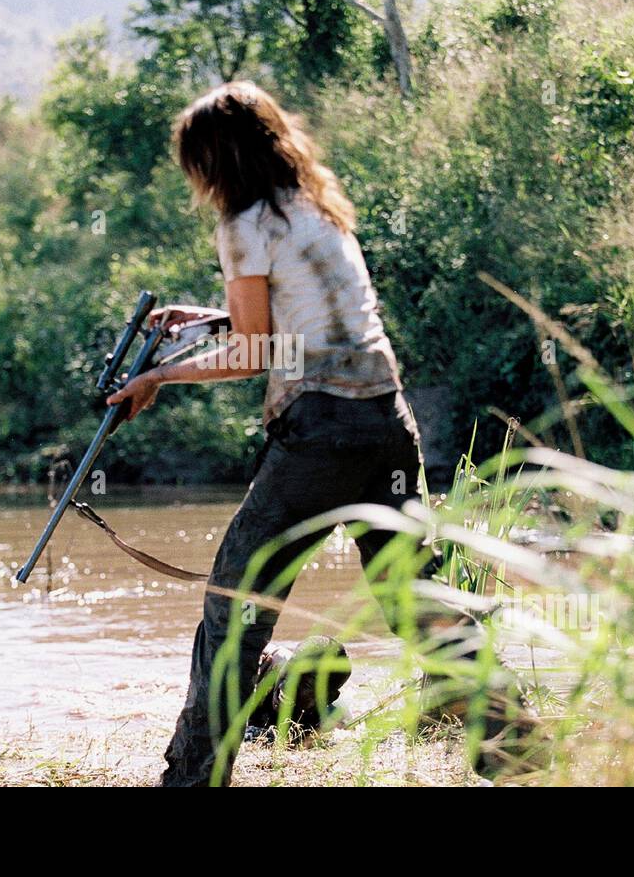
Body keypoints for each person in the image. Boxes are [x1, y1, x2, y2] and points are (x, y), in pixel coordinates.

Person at [106, 80, 434, 787]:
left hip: (318, 429)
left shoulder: (243, 225)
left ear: (218, 161)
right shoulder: (319, 208)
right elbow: (299, 326)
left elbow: (261, 355)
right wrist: (213, 317)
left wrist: (159, 379)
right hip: (387, 420)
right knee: (417, 601)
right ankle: (516, 749)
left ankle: (192, 780)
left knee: (234, 607)